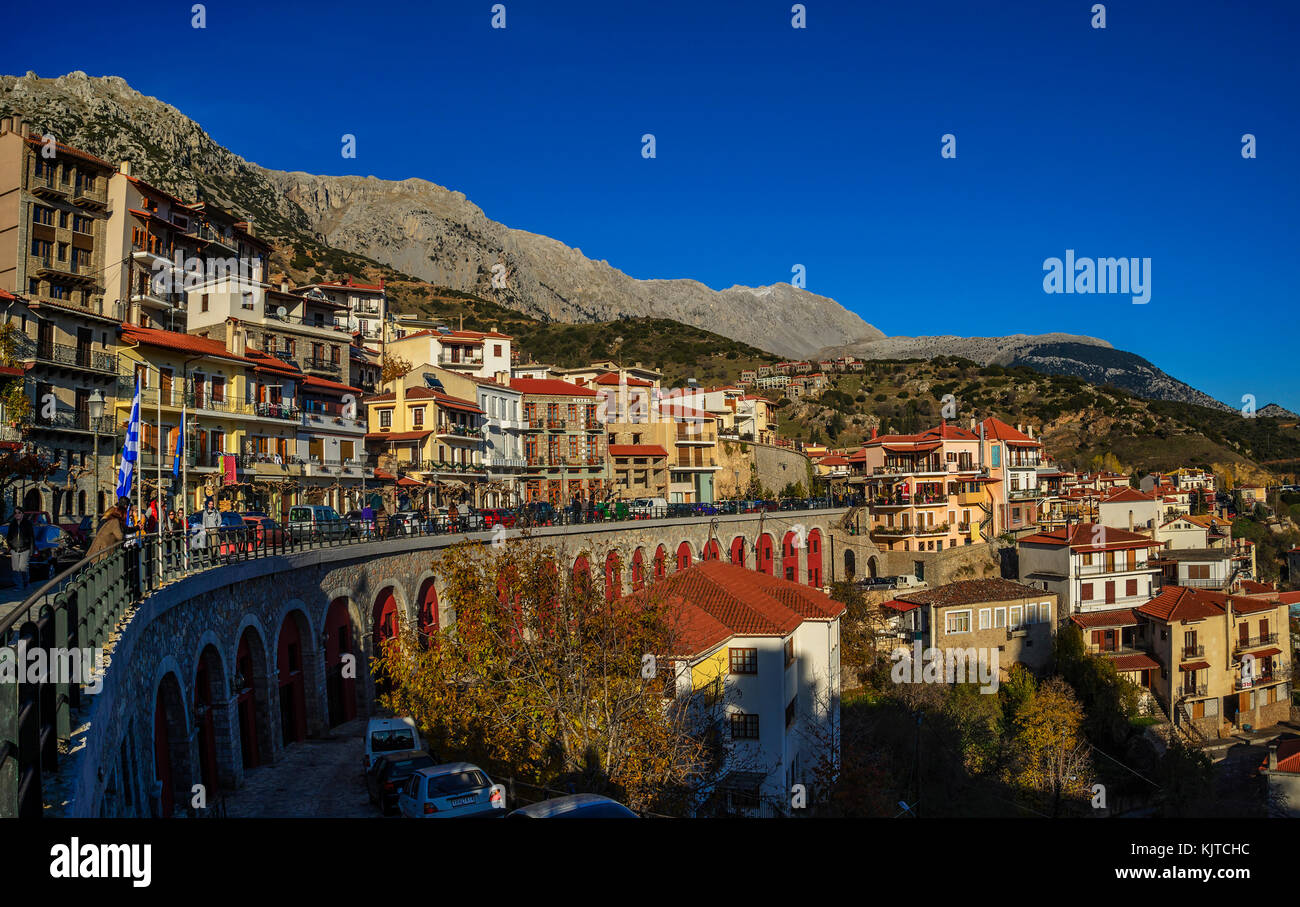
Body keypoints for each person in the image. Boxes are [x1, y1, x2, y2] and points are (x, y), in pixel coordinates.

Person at [7, 511, 34, 591]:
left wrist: (31, 549)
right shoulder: (12, 524)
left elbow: (31, 537)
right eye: (15, 513)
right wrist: (11, 544)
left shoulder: (27, 523)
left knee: (23, 568)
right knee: (15, 569)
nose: (17, 514)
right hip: (15, 549)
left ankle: (26, 584)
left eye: (19, 513)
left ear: (22, 514)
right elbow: (9, 536)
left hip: (25, 549)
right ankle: (19, 586)